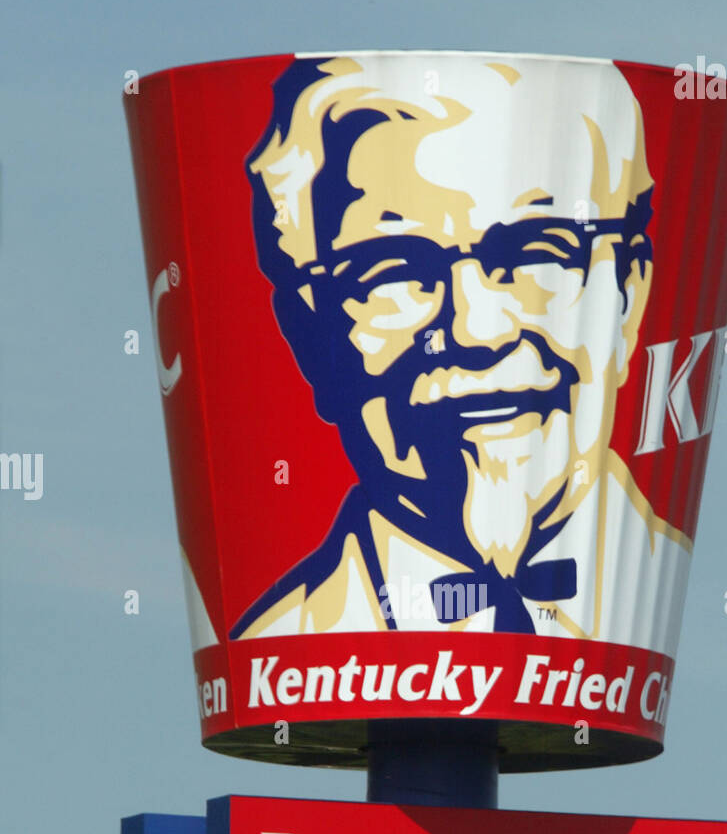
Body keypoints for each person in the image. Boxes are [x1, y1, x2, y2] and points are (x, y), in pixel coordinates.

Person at [231, 52, 690, 651]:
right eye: (394, 270)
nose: (478, 332)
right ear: (309, 336)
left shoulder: (700, 607)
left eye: (536, 252)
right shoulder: (270, 648)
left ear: (627, 300)